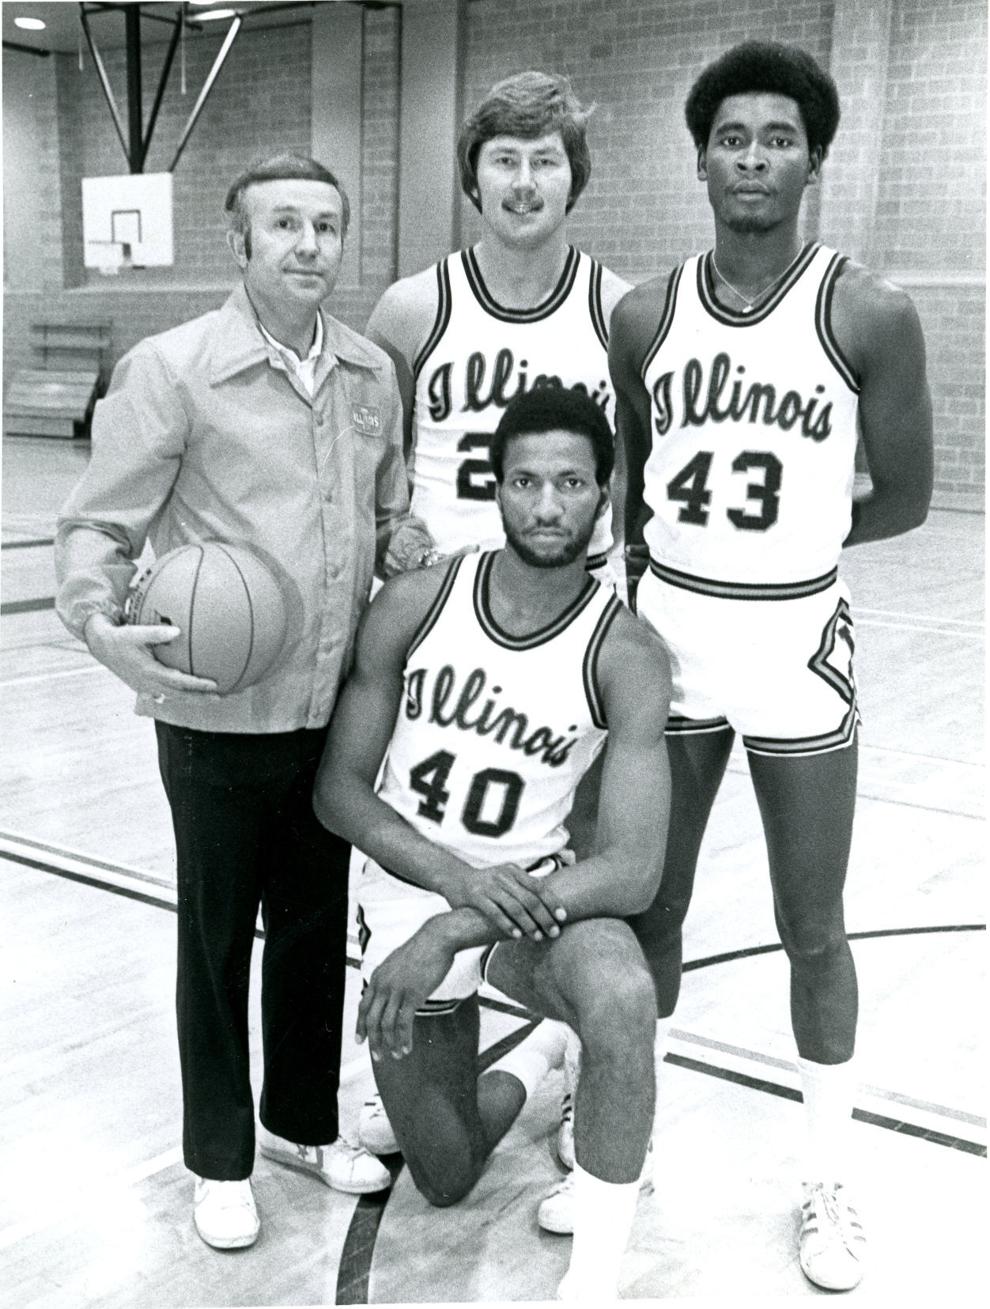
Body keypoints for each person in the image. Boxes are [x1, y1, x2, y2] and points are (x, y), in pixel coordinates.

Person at [54, 154, 435, 1251]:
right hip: (215, 712)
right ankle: (218, 1156)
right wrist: (96, 621)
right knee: (217, 938)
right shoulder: (171, 371)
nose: (309, 245)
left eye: (326, 225)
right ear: (240, 243)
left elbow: (386, 498)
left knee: (317, 932)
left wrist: (399, 532)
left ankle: (302, 1123)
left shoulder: (370, 371)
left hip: (334, 709)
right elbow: (97, 522)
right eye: (285, 226)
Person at [605, 41, 933, 1291]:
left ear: (814, 159)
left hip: (796, 637)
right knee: (653, 911)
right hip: (672, 639)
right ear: (699, 159)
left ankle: (828, 1175)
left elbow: (904, 495)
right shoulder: (646, 314)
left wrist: (797, 540)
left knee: (813, 924)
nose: (753, 156)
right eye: (732, 136)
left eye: (778, 137)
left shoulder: (869, 311)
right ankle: (621, 1158)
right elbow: (636, 481)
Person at [312, 386, 672, 1302]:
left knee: (623, 993)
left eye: (571, 483)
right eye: (526, 481)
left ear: (605, 492)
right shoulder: (418, 602)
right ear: (495, 486)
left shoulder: (623, 650)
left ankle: (591, 1280)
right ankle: (539, 1049)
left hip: (525, 904)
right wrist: (449, 892)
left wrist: (455, 925)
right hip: (409, 886)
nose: (548, 506)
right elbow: (339, 789)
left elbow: (633, 868)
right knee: (444, 1174)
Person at [361, 66, 631, 1160]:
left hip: (573, 630)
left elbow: (641, 474)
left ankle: (583, 1062)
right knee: (419, 838)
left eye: (546, 159)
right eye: (504, 159)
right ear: (472, 178)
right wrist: (388, 530)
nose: (525, 181)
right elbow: (367, 457)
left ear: (576, 179)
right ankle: (431, 1037)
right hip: (438, 632)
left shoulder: (621, 311)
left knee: (595, 857)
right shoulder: (413, 306)